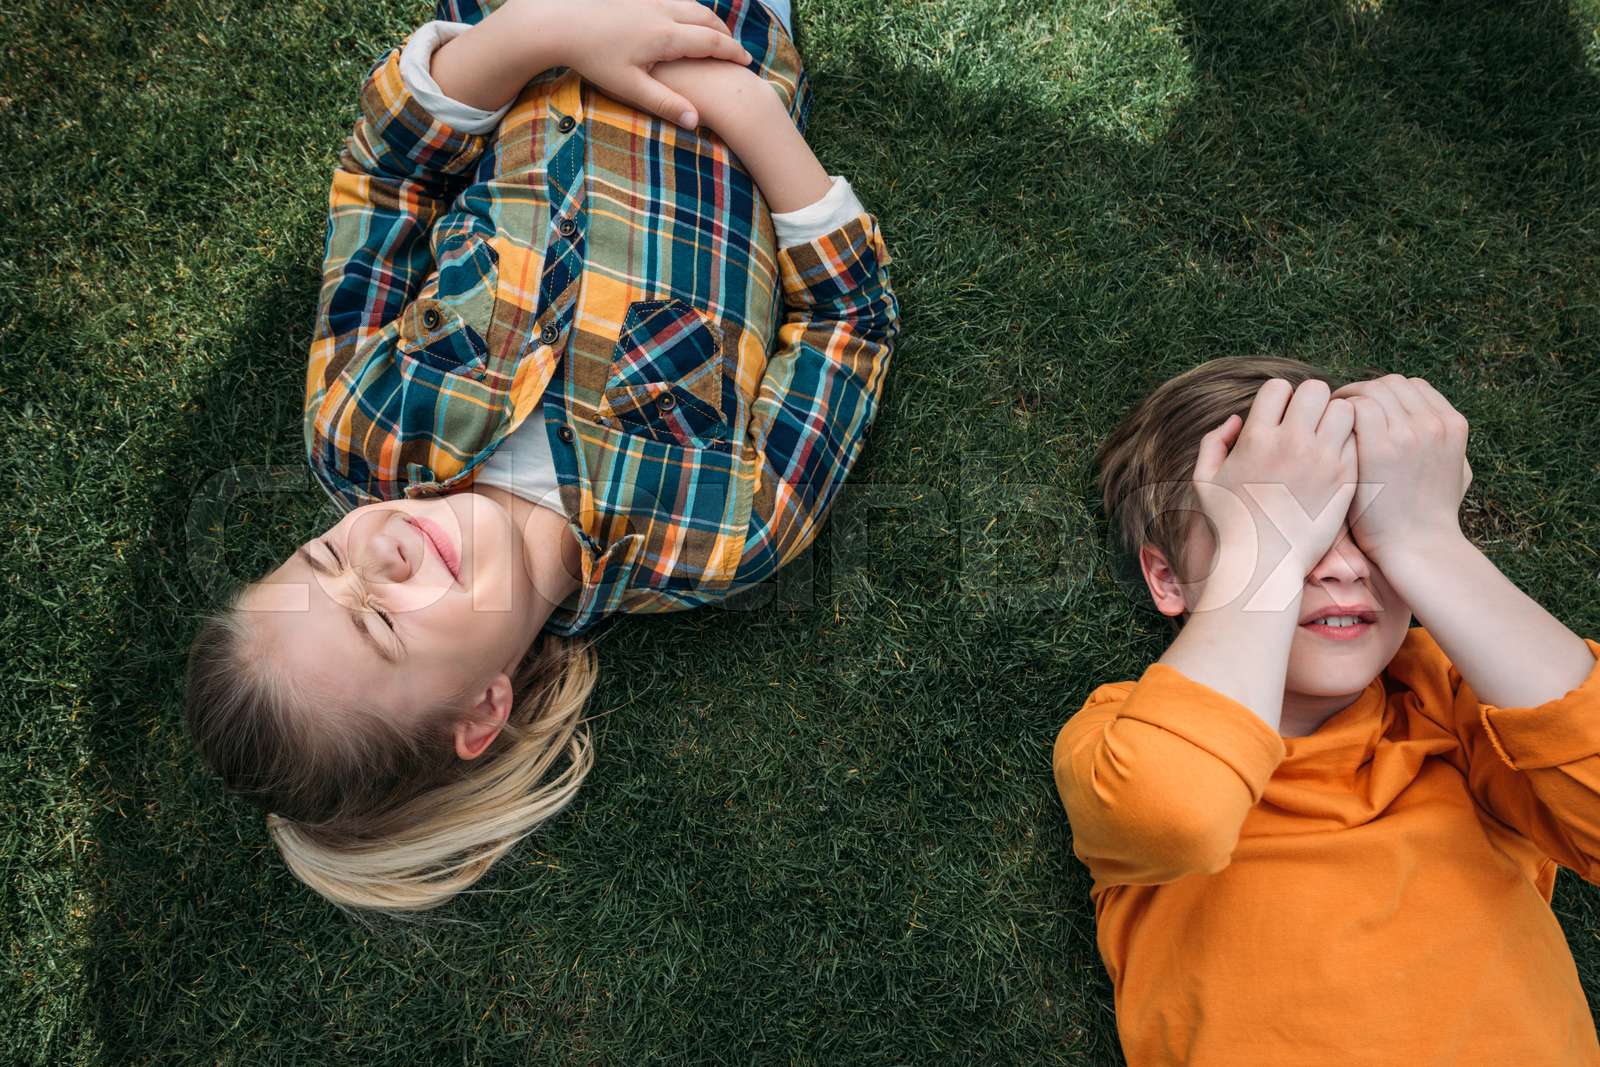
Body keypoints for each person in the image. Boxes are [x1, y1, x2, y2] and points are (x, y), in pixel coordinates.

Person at [184, 0, 897, 913]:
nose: (379, 553)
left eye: (325, 557)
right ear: (483, 710)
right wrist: (744, 110)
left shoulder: (359, 427)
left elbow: (385, 178)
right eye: (381, 623)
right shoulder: (715, 531)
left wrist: (543, 32)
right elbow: (851, 323)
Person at [1053, 356, 1600, 1064]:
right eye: (1286, 531)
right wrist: (1268, 557)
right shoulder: (1125, 729)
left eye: (1364, 525)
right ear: (1166, 577)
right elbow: (1175, 812)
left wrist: (1429, 543)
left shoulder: (1455, 701)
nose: (1342, 564)